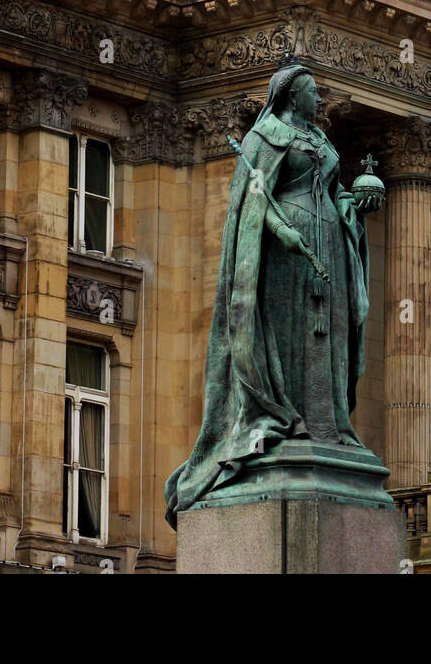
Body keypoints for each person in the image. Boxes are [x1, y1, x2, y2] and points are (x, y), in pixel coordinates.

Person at [165, 63, 383, 527]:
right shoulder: (264, 137)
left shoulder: (321, 142)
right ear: (290, 95)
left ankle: (331, 427)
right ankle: (287, 420)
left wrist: (353, 205)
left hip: (329, 244)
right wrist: (281, 233)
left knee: (332, 336)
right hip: (286, 253)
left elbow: (333, 192)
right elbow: (252, 201)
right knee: (291, 336)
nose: (319, 99)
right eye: (313, 91)